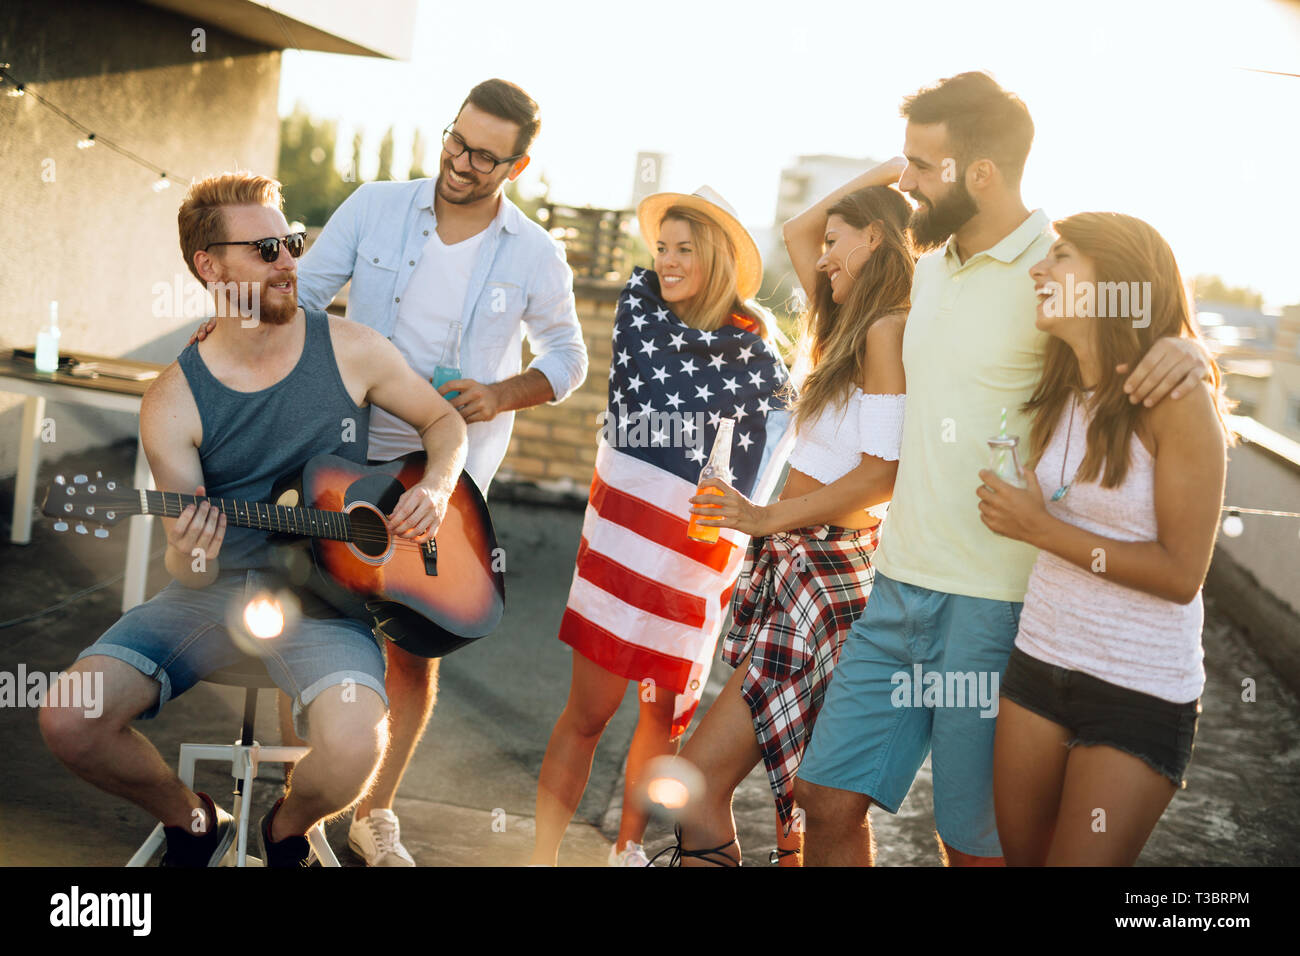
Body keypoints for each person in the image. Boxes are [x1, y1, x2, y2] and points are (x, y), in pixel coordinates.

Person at [793, 72, 1217, 867]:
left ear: (978, 173)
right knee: (826, 798)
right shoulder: (930, 266)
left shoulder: (1054, 272)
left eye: (920, 166)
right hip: (900, 580)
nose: (905, 181)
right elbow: (806, 248)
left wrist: (1188, 352)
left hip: (996, 604)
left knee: (971, 842)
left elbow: (1137, 335)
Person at [190, 79, 588, 866]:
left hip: (441, 478)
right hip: (336, 454)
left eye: (484, 155)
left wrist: (501, 393)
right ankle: (303, 808)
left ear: (519, 164)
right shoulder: (375, 203)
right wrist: (232, 318)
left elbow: (569, 359)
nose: (461, 162)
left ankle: (374, 812)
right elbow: (298, 291)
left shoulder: (536, 253)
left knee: (411, 646)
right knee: (308, 624)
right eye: (456, 140)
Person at [39, 171, 467, 867]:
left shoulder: (351, 348)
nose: (290, 262)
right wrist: (191, 551)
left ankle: (287, 828)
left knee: (356, 743)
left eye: (292, 243)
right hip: (210, 595)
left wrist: (440, 486)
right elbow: (188, 564)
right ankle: (193, 817)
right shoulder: (174, 400)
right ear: (210, 267)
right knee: (68, 717)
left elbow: (445, 422)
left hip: (328, 603)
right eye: (266, 249)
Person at [529, 188, 794, 866]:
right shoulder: (641, 314)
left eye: (685, 250)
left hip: (690, 561)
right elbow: (646, 295)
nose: (668, 262)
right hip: (619, 547)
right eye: (662, 249)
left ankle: (626, 852)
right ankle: (540, 857)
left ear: (714, 257)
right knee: (585, 715)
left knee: (658, 720)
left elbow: (775, 449)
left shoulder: (757, 355)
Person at [669, 163, 913, 866]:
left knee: (789, 796)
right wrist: (893, 170)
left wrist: (762, 518)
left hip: (825, 572)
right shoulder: (847, 323)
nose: (823, 254)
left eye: (841, 241)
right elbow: (797, 228)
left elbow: (882, 474)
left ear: (875, 237)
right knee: (789, 797)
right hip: (797, 569)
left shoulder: (887, 332)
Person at [980, 212, 1233, 865]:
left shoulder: (1175, 399)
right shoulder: (1060, 381)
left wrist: (1039, 528)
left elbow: (1181, 575)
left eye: (1061, 257)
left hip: (1138, 689)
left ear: (1115, 280)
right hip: (1039, 663)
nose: (1040, 269)